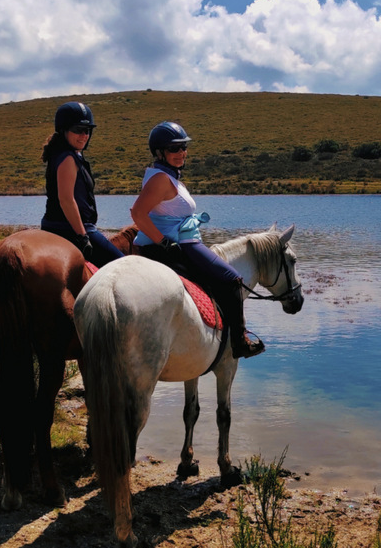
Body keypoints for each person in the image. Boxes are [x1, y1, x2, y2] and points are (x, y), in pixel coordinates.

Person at [131, 121, 265, 359]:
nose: (181, 153)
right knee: (233, 281)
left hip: (183, 241)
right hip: (178, 244)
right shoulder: (161, 179)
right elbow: (138, 213)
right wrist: (164, 243)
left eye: (184, 147)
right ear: (160, 152)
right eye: (174, 148)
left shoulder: (169, 177)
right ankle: (240, 342)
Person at [39, 101, 125, 265]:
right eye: (78, 130)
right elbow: (66, 200)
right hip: (71, 230)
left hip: (53, 226)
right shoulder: (68, 158)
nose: (84, 135)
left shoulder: (60, 154)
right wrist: (82, 236)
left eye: (87, 131)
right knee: (124, 265)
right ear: (64, 130)